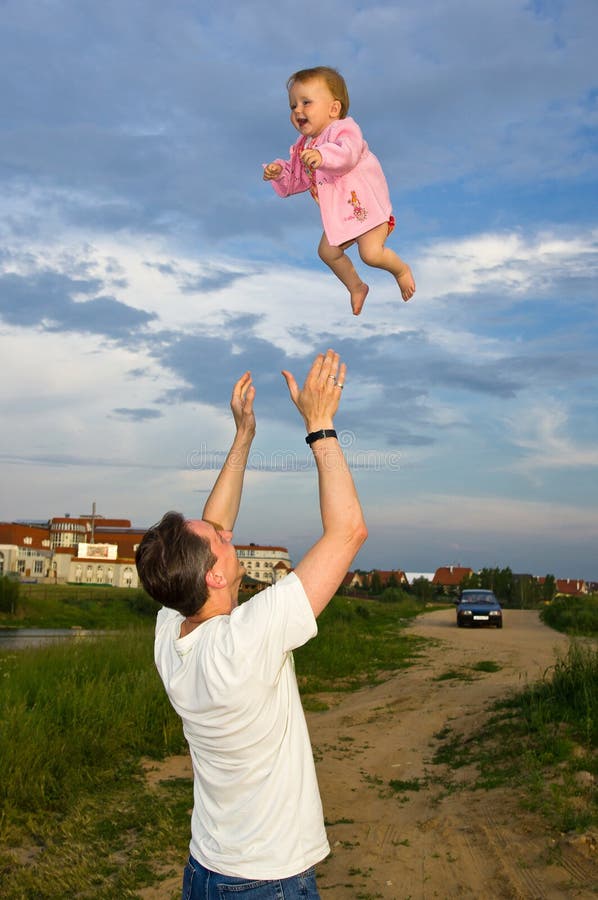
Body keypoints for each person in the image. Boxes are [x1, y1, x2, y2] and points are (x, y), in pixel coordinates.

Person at [135, 350, 367, 899]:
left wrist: (243, 436)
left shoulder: (172, 632)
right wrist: (320, 424)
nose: (227, 532)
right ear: (214, 576)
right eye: (219, 540)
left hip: (207, 871)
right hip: (265, 882)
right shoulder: (245, 641)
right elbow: (348, 532)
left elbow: (212, 524)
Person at [263, 66, 416, 315]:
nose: (298, 110)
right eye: (293, 106)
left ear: (334, 109)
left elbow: (347, 155)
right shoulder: (303, 147)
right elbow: (297, 180)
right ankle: (356, 286)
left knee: (371, 254)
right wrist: (280, 172)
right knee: (327, 252)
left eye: (306, 103)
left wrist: (322, 156)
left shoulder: (344, 131)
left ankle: (401, 270)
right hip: (341, 216)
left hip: (366, 208)